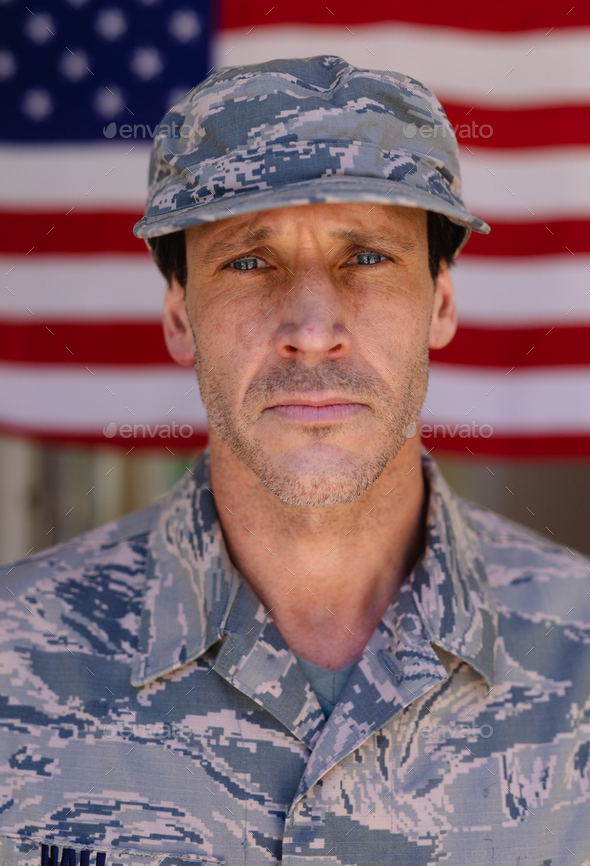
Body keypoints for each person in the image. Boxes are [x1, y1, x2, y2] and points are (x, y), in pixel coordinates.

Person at [1, 55, 589, 866]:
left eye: (368, 257)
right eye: (249, 261)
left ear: (442, 303)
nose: (312, 331)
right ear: (180, 317)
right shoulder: (13, 655)